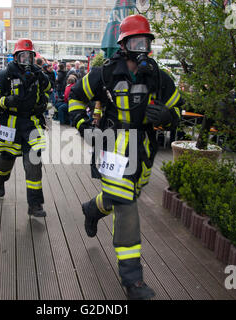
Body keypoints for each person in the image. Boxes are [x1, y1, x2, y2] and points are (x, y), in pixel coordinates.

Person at [68, 15, 183, 300]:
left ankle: (93, 209)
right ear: (124, 44)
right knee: (127, 207)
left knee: (122, 197)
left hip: (142, 150)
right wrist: (82, 125)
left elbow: (179, 109)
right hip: (112, 147)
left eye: (145, 42)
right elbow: (74, 97)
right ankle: (133, 281)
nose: (141, 48)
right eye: (136, 41)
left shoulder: (158, 77)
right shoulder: (105, 74)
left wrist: (169, 117)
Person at [0, 38, 51, 217]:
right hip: (10, 124)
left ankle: (35, 204)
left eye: (29, 56)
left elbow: (48, 89)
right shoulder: (3, 75)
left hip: (32, 124)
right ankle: (0, 178)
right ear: (15, 57)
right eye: (23, 56)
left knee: (33, 163)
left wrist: (44, 95)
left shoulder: (38, 74)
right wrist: (4, 101)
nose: (26, 60)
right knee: (7, 158)